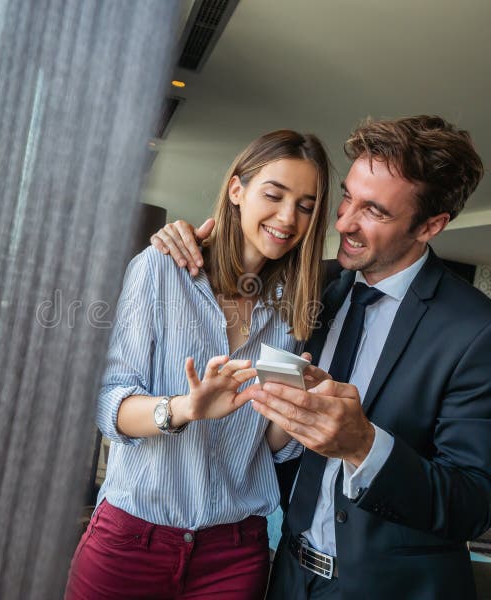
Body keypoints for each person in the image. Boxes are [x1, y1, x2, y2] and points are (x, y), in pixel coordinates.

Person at [151, 115, 491, 599]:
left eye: (374, 210)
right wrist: (177, 238)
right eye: (347, 196)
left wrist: (364, 446)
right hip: (284, 575)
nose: (344, 222)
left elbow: (473, 504)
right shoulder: (312, 285)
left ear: (431, 225)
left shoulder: (486, 332)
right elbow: (232, 256)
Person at [65, 130, 332, 599]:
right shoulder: (160, 268)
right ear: (236, 190)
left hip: (232, 553)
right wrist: (183, 409)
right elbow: (109, 405)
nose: (288, 217)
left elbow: (269, 449)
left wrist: (293, 410)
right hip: (131, 539)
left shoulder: (293, 308)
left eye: (306, 205)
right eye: (274, 194)